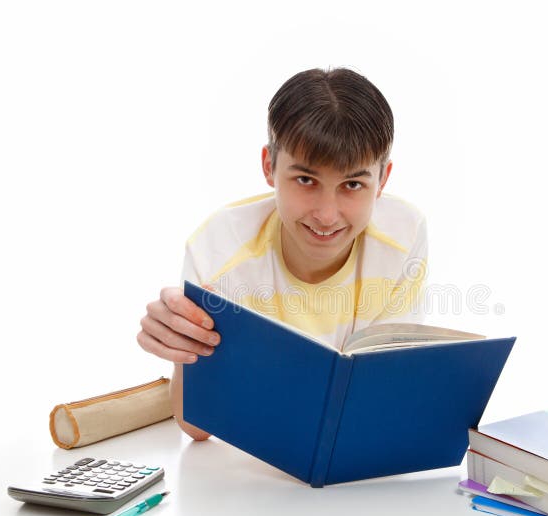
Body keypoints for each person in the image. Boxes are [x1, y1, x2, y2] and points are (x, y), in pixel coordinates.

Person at [137, 68, 428, 440]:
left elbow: (387, 394)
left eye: (352, 184)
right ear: (269, 166)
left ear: (382, 180)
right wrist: (183, 350)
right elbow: (196, 427)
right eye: (306, 180)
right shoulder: (219, 246)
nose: (326, 215)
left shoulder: (404, 235)